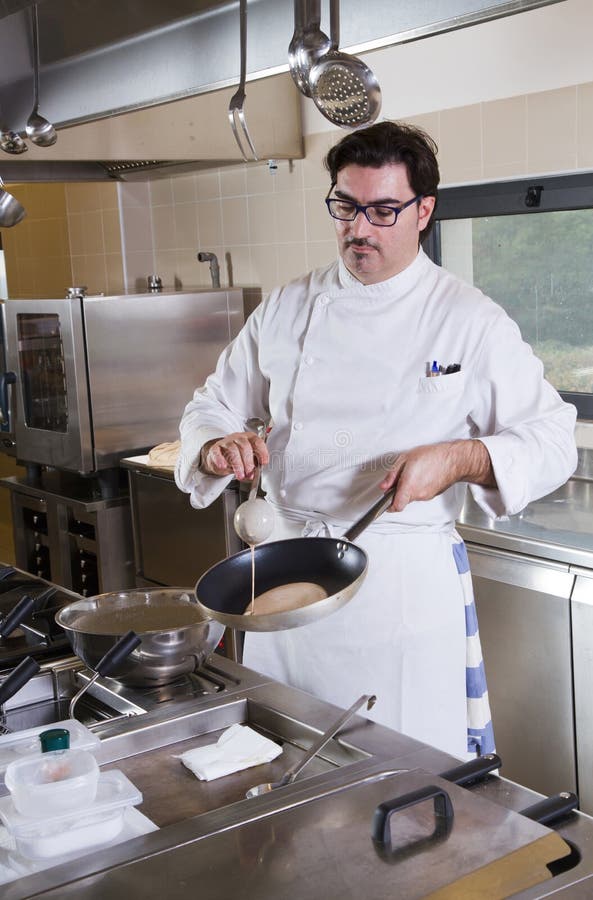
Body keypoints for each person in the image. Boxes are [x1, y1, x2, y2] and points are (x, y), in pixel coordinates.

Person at [175, 121, 577, 759]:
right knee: (288, 767)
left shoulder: (468, 319)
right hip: (285, 584)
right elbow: (213, 403)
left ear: (424, 211)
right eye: (346, 207)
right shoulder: (287, 307)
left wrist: (462, 458)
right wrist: (214, 445)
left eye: (384, 211)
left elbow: (555, 439)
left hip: (399, 586)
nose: (359, 229)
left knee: (404, 787)